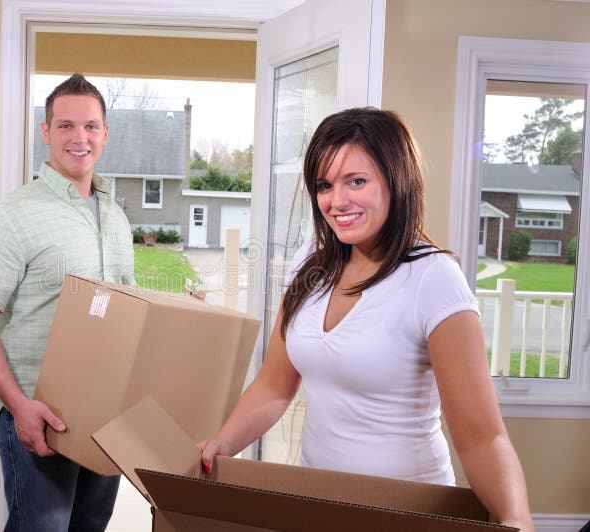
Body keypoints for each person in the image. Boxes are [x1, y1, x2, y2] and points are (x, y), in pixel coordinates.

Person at [199, 108, 534, 531]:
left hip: (406, 510)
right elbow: (274, 384)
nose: (337, 201)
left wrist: (515, 517)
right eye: (324, 185)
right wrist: (225, 442)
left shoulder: (433, 279)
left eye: (356, 181)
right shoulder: (310, 263)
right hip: (316, 501)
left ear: (397, 180)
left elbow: (481, 436)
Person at [0, 73, 136, 531]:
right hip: (40, 418)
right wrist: (18, 405)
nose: (80, 138)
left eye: (91, 126)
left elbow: (128, 310)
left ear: (105, 133)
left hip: (105, 420)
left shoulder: (115, 218)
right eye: (66, 126)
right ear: (46, 131)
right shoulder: (12, 217)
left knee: (90, 527)